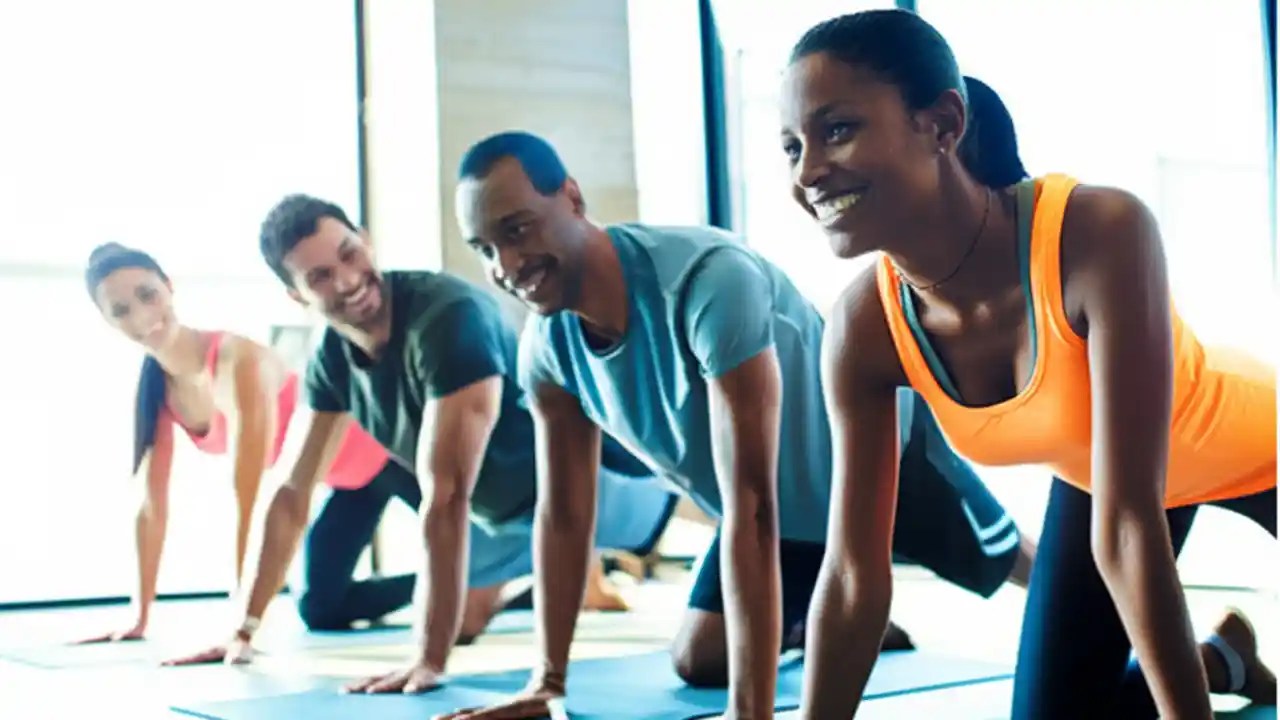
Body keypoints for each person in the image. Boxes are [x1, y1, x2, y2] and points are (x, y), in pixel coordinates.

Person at [433, 130, 1037, 720]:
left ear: (571, 196)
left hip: (882, 461)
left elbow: (751, 501)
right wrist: (547, 683)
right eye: (484, 248)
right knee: (699, 658)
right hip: (786, 523)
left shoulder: (708, 280)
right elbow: (564, 516)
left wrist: (749, 713)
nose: (505, 265)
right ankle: (838, 619)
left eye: (517, 230)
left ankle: (876, 606)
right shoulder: (547, 348)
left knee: (1025, 570)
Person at [780, 9, 1278, 719]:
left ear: (942, 124)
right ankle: (1224, 659)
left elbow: (1129, 526)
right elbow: (855, 575)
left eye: (837, 130)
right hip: (1102, 484)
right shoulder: (865, 326)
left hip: (1256, 451)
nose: (808, 171)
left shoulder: (1097, 232)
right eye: (792, 146)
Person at [255, 193, 682, 693]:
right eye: (320, 277)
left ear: (366, 240)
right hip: (495, 520)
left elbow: (447, 493)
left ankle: (604, 550)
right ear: (296, 295)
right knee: (457, 623)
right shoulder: (332, 355)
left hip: (582, 488)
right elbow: (291, 489)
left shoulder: (448, 316)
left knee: (682, 503)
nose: (347, 280)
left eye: (349, 254)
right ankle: (556, 577)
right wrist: (243, 627)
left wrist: (428, 661)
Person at [77, 242, 431, 664]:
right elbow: (151, 508)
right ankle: (463, 583)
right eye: (121, 310)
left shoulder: (237, 359)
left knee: (485, 537)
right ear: (107, 320)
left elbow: (250, 495)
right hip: (348, 481)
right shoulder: (159, 387)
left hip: (389, 451)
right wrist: (140, 616)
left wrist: (241, 626)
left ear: (169, 287)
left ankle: (475, 579)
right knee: (320, 607)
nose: (141, 316)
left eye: (147, 295)